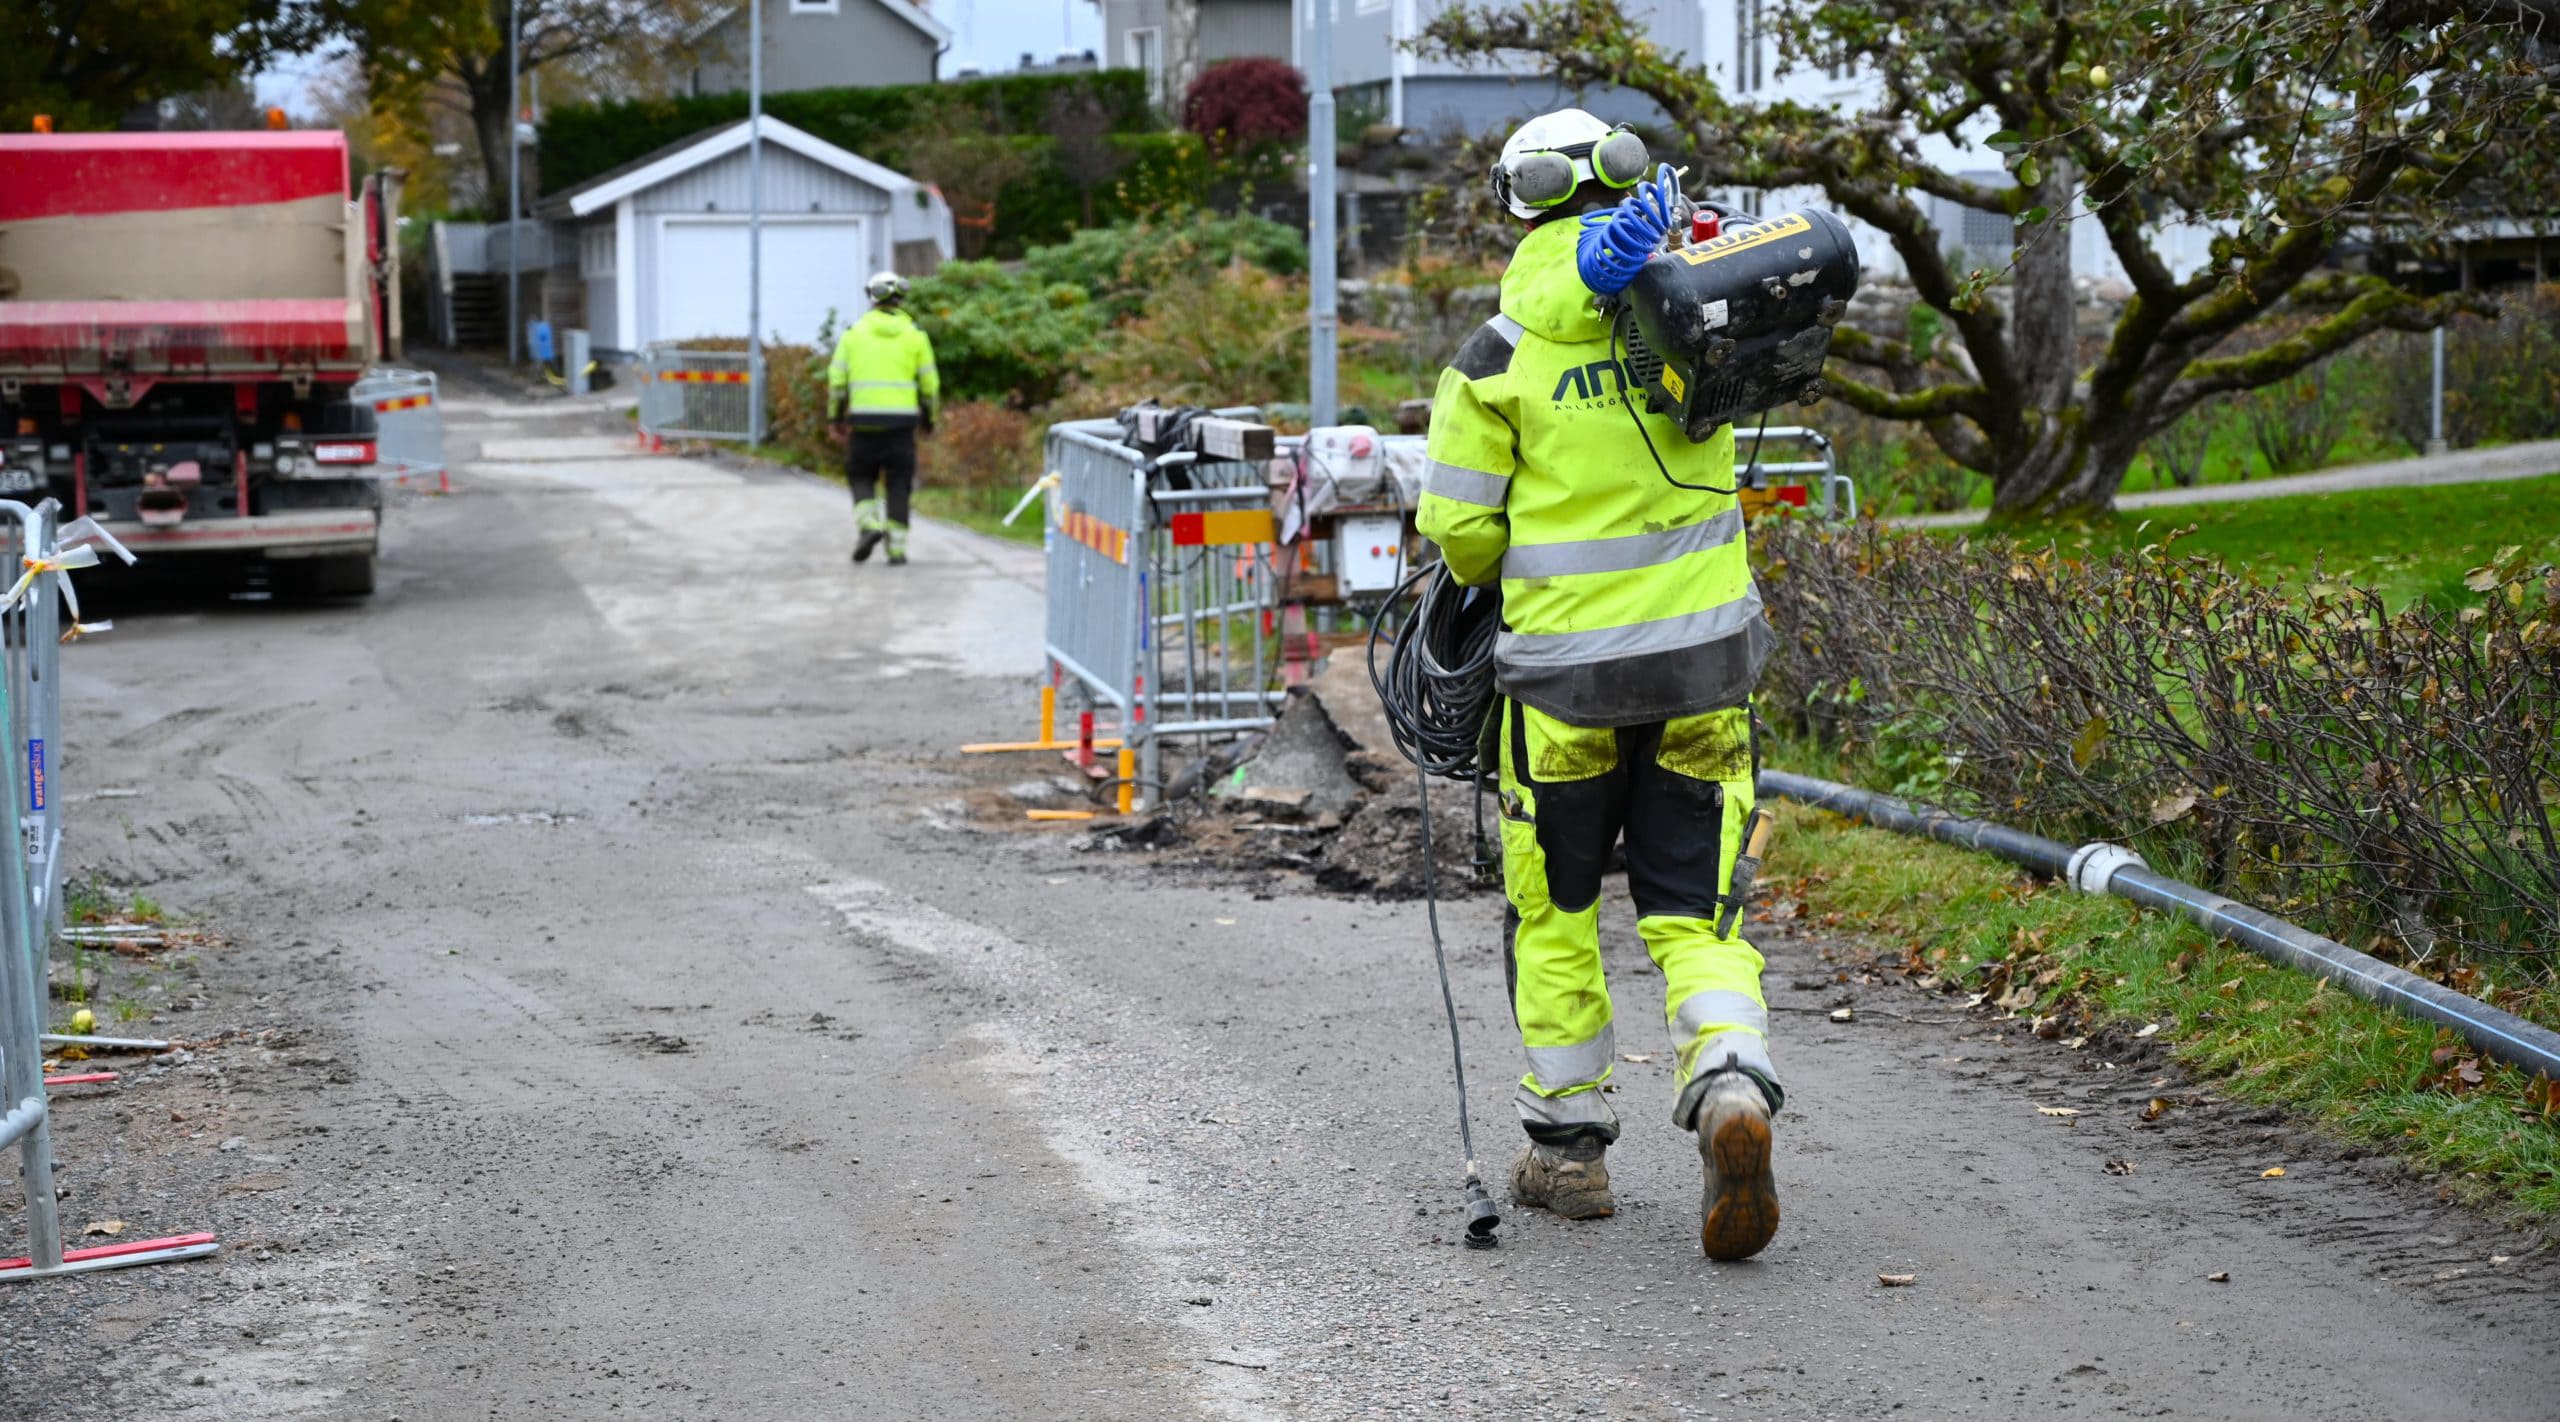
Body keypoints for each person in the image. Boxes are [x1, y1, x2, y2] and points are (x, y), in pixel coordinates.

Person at [1414, 108, 1782, 1261]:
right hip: (1703, 676)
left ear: (1517, 206)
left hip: (1560, 693)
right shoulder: (1698, 322)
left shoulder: (1492, 358)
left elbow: (1461, 536)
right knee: (1695, 913)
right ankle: (1728, 1083)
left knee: (1557, 912)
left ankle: (1567, 1157)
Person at [827, 272, 940, 566]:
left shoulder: (853, 335)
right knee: (899, 483)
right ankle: (897, 550)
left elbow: (837, 382)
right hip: (902, 426)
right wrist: (929, 420)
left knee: (860, 475)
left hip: (864, 422)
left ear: (871, 298)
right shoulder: (916, 336)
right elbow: (930, 387)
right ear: (901, 299)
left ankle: (869, 526)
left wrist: (835, 418)